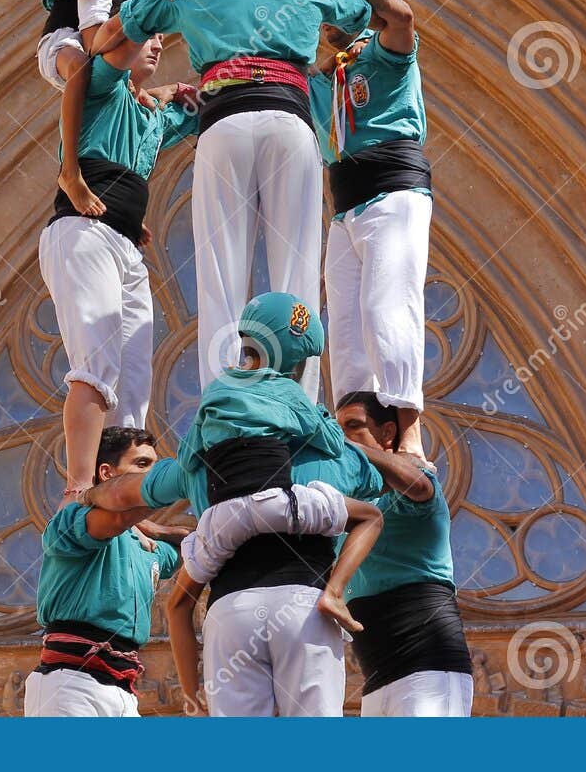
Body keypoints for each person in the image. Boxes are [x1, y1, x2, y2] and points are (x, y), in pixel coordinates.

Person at [119, 0, 414, 401]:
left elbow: (131, 22)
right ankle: (298, 404)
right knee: (297, 266)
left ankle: (221, 410)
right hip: (288, 119)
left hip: (223, 123)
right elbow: (360, 18)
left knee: (219, 275)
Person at [79, 297, 434, 716]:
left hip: (231, 611)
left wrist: (84, 491)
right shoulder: (336, 455)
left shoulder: (204, 456)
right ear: (298, 363)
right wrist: (363, 446)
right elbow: (418, 482)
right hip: (305, 607)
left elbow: (122, 494)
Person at [37, 25, 198, 501]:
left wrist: (192, 90)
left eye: (162, 39)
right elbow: (106, 52)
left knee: (132, 388)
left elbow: (207, 107)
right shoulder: (104, 89)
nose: (158, 44)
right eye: (149, 37)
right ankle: (80, 485)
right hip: (83, 235)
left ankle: (125, 498)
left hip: (124, 245)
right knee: (97, 362)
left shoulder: (150, 116)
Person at [309, 0, 429, 455]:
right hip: (346, 208)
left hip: (394, 192)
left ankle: (410, 429)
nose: (326, 23)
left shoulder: (385, 56)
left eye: (333, 9)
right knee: (343, 330)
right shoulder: (324, 81)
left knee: (387, 308)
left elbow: (402, 16)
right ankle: (355, 436)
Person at [22, 0, 161, 215]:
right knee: (82, 69)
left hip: (85, 36)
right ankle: (69, 172)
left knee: (116, 81)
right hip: (60, 38)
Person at [24, 427, 183, 717]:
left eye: (155, 467)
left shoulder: (145, 546)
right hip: (69, 684)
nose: (150, 475)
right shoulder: (70, 521)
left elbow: (197, 543)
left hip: (123, 691)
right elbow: (118, 514)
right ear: (107, 473)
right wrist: (184, 477)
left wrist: (159, 529)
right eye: (142, 465)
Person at [338, 392, 472, 716]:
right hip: (377, 681)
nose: (343, 438)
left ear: (387, 433)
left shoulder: (416, 493)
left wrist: (346, 448)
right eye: (338, 430)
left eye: (354, 427)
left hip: (429, 670)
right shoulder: (347, 509)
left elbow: (417, 483)